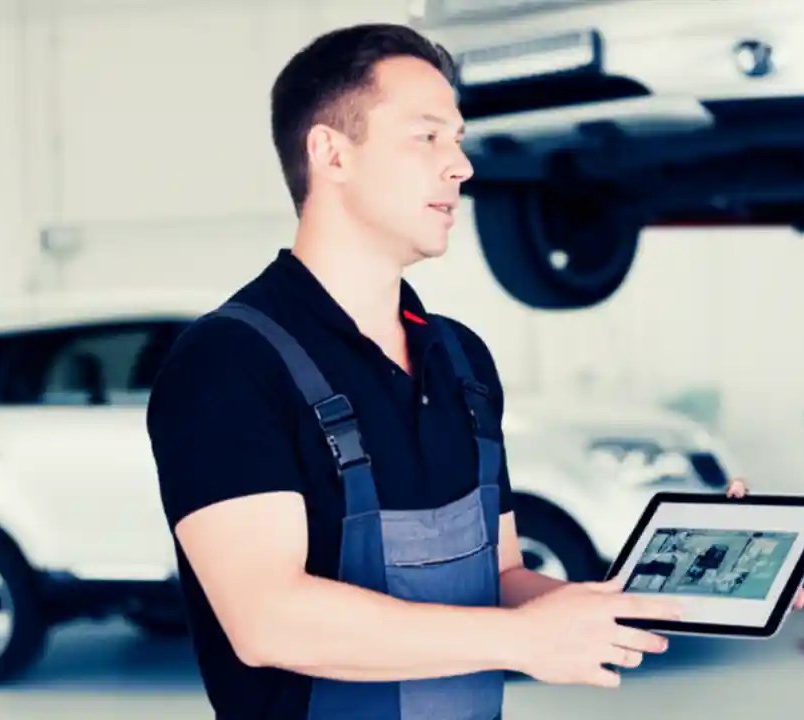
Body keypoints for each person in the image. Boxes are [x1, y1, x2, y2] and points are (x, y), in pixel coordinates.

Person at [144, 24, 684, 720]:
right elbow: (267, 619)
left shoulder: (460, 359)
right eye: (427, 137)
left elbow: (502, 577)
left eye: (457, 139)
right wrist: (520, 640)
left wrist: (646, 597)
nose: (460, 166)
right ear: (330, 153)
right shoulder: (227, 364)